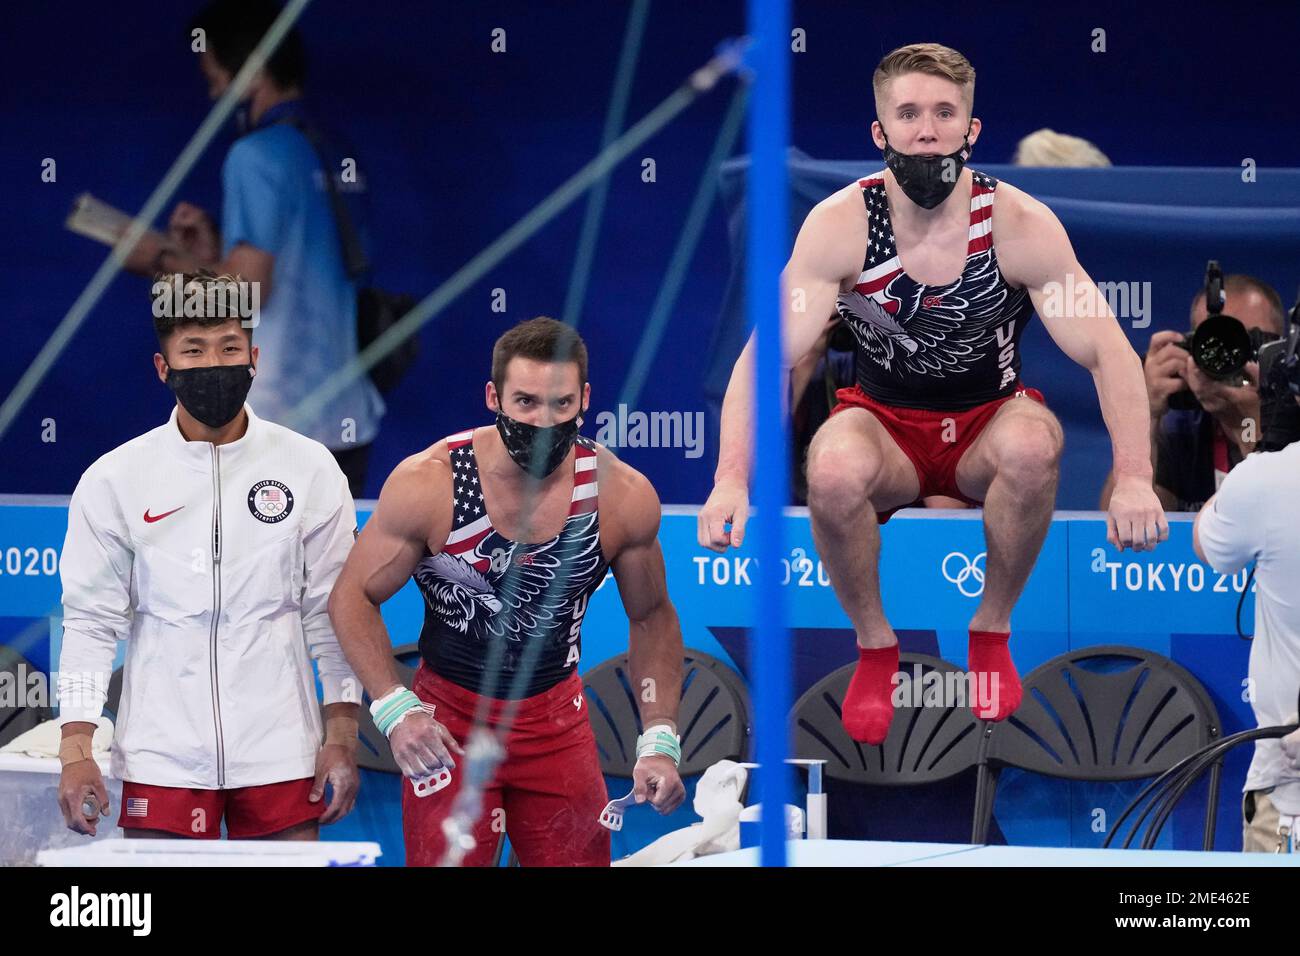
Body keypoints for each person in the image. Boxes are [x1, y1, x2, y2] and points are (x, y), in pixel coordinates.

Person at [698, 42, 1165, 744]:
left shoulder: (1019, 224)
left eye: (945, 113)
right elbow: (766, 359)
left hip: (985, 422)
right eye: (908, 113)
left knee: (1035, 443)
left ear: (971, 132)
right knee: (830, 467)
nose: (927, 129)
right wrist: (731, 479)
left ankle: (990, 628)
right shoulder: (839, 224)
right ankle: (875, 644)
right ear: (879, 133)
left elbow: (1109, 351)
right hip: (885, 426)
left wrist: (1133, 476)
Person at [327, 317, 687, 866]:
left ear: (585, 399)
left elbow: (652, 617)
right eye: (525, 403)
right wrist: (395, 708)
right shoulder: (430, 483)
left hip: (554, 721)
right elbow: (352, 595)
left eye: (561, 405)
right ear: (493, 396)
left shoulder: (621, 496)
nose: (543, 421)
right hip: (448, 723)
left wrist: (660, 736)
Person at [56, 271, 361, 840]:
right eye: (193, 350)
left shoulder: (311, 467)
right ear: (162, 366)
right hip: (162, 759)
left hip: (283, 754)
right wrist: (75, 750)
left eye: (228, 347)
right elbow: (90, 625)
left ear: (255, 358)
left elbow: (333, 613)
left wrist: (340, 737)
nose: (212, 363)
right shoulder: (115, 479)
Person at [123, 0, 384, 497]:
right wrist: (213, 252)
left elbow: (248, 291)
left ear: (251, 70)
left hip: (281, 415)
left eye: (215, 77)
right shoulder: (334, 148)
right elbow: (306, 267)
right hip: (347, 412)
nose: (213, 93)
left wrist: (156, 258)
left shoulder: (255, 154)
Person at [1193, 400, 1300, 852]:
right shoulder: (1271, 477)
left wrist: (1256, 455)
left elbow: (1206, 538)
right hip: (1285, 793)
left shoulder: (1266, 478)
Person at [1100, 275, 1286, 512]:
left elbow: (1283, 523)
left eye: (1249, 342)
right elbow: (1119, 531)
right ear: (1191, 349)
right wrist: (1145, 415)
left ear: (1280, 351)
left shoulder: (1294, 425)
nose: (1233, 356)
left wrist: (1247, 422)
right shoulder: (1182, 431)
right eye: (1216, 343)